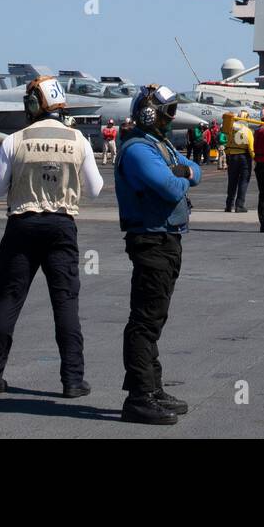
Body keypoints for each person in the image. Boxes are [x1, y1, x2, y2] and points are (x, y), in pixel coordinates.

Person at [0, 77, 103, 398]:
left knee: (7, 299)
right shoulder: (78, 140)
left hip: (22, 224)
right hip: (62, 225)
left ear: (33, 105)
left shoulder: (14, 140)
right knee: (65, 304)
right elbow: (96, 188)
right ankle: (73, 380)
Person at [115, 84, 202, 425]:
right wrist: (181, 176)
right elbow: (169, 188)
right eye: (169, 112)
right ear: (150, 113)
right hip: (150, 241)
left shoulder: (159, 145)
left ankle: (151, 386)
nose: (173, 118)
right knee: (145, 319)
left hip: (167, 240)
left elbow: (195, 170)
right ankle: (139, 397)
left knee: (155, 317)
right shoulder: (139, 150)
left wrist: (183, 173)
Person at [222, 109, 254, 213]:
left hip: (232, 157)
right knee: (243, 181)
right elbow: (251, 148)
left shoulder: (231, 129)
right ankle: (239, 206)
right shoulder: (248, 131)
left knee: (232, 181)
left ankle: (228, 205)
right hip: (244, 157)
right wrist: (256, 159)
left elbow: (226, 141)